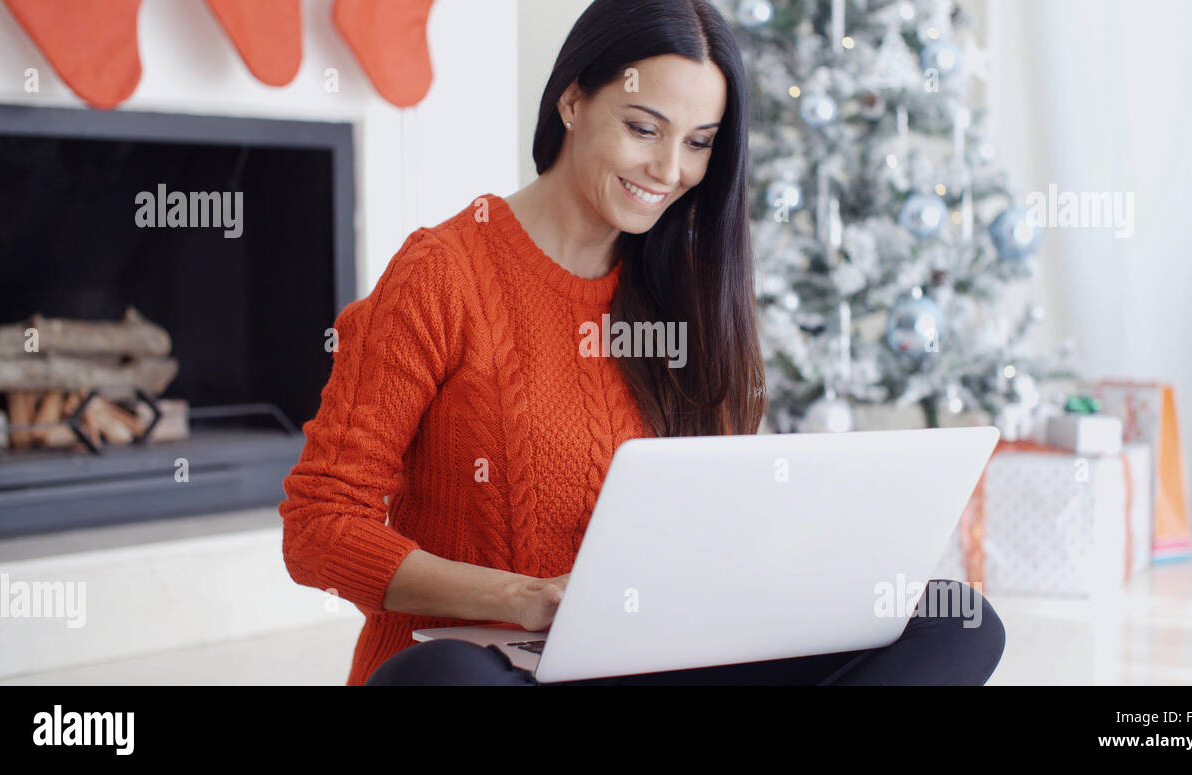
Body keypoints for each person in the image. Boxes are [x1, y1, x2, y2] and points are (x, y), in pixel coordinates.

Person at [279, 0, 1005, 687]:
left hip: (651, 659)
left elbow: (719, 523)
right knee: (442, 678)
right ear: (571, 100)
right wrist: (522, 595)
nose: (669, 172)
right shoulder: (441, 274)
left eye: (698, 144)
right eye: (644, 128)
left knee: (956, 619)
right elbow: (319, 525)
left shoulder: (690, 288)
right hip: (492, 665)